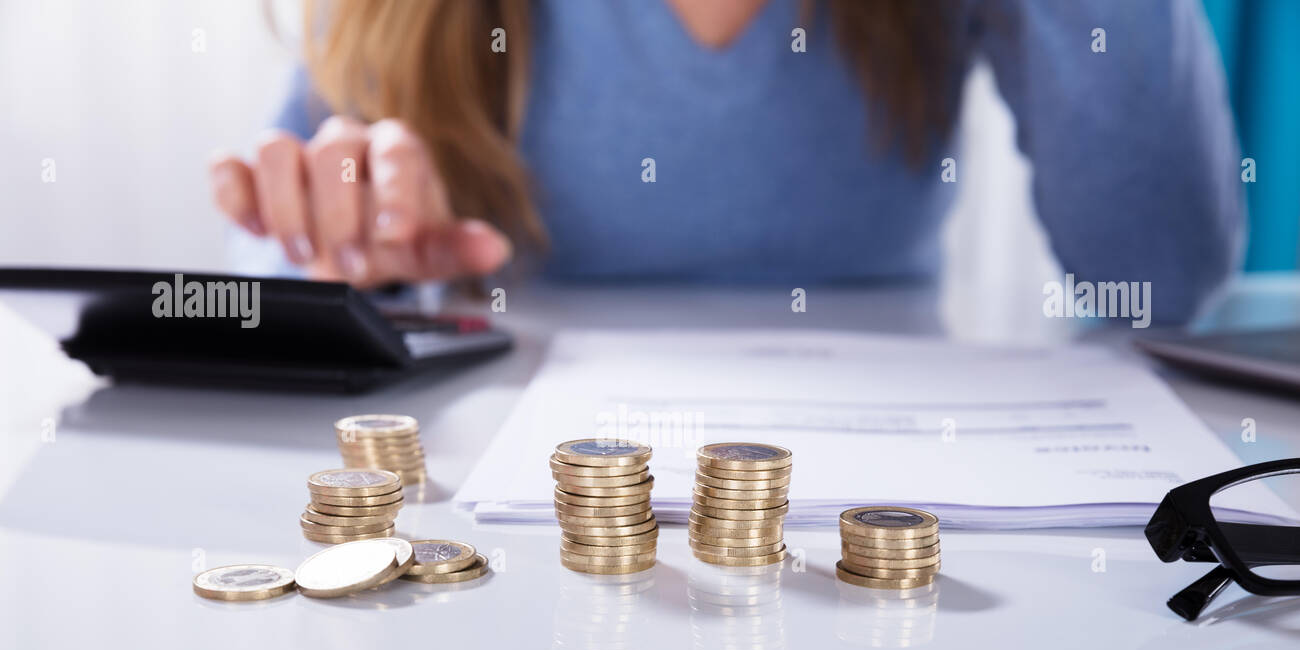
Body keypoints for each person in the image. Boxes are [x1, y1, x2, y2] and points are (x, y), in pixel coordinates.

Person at [209, 0, 1243, 324]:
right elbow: (266, 271)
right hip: (512, 509)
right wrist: (366, 261)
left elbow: (1158, 276)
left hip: (902, 496)